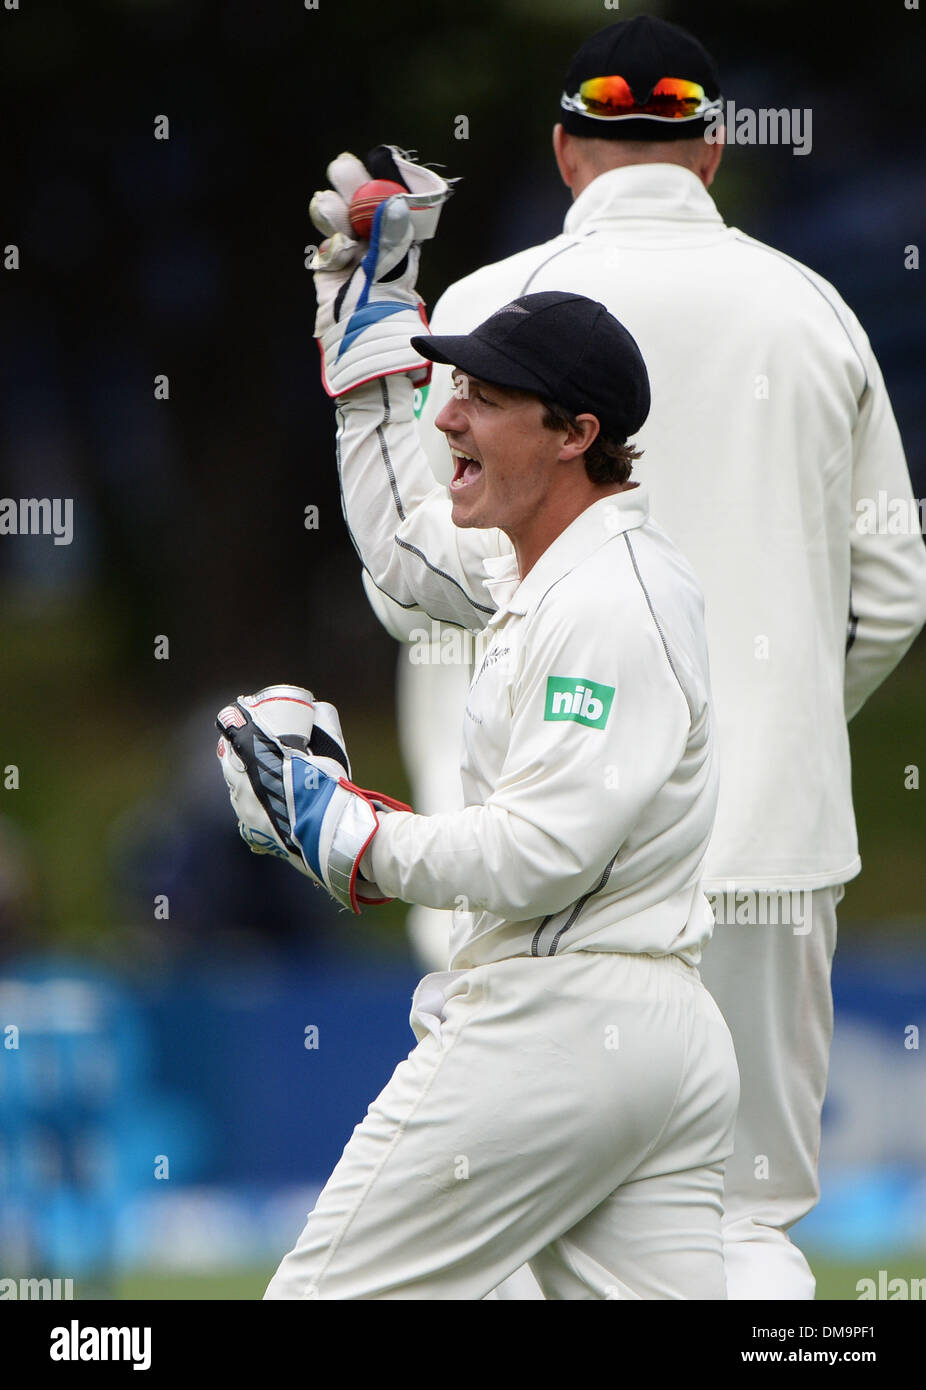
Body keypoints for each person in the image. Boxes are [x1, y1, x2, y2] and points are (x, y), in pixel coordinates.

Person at [362, 16, 926, 1299]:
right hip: (765, 849)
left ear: (565, 151)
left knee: (497, 1230)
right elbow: (890, 589)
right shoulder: (813, 309)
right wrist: (743, 734)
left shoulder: (478, 311)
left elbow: (421, 586)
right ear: (713, 151)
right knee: (734, 1226)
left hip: (529, 858)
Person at [216, 211, 740, 1296]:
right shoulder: (545, 567)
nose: (448, 412)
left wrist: (339, 830)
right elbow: (405, 555)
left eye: (485, 398)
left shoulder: (604, 601)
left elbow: (536, 855)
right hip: (649, 1041)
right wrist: (369, 373)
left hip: (555, 1031)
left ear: (573, 433)